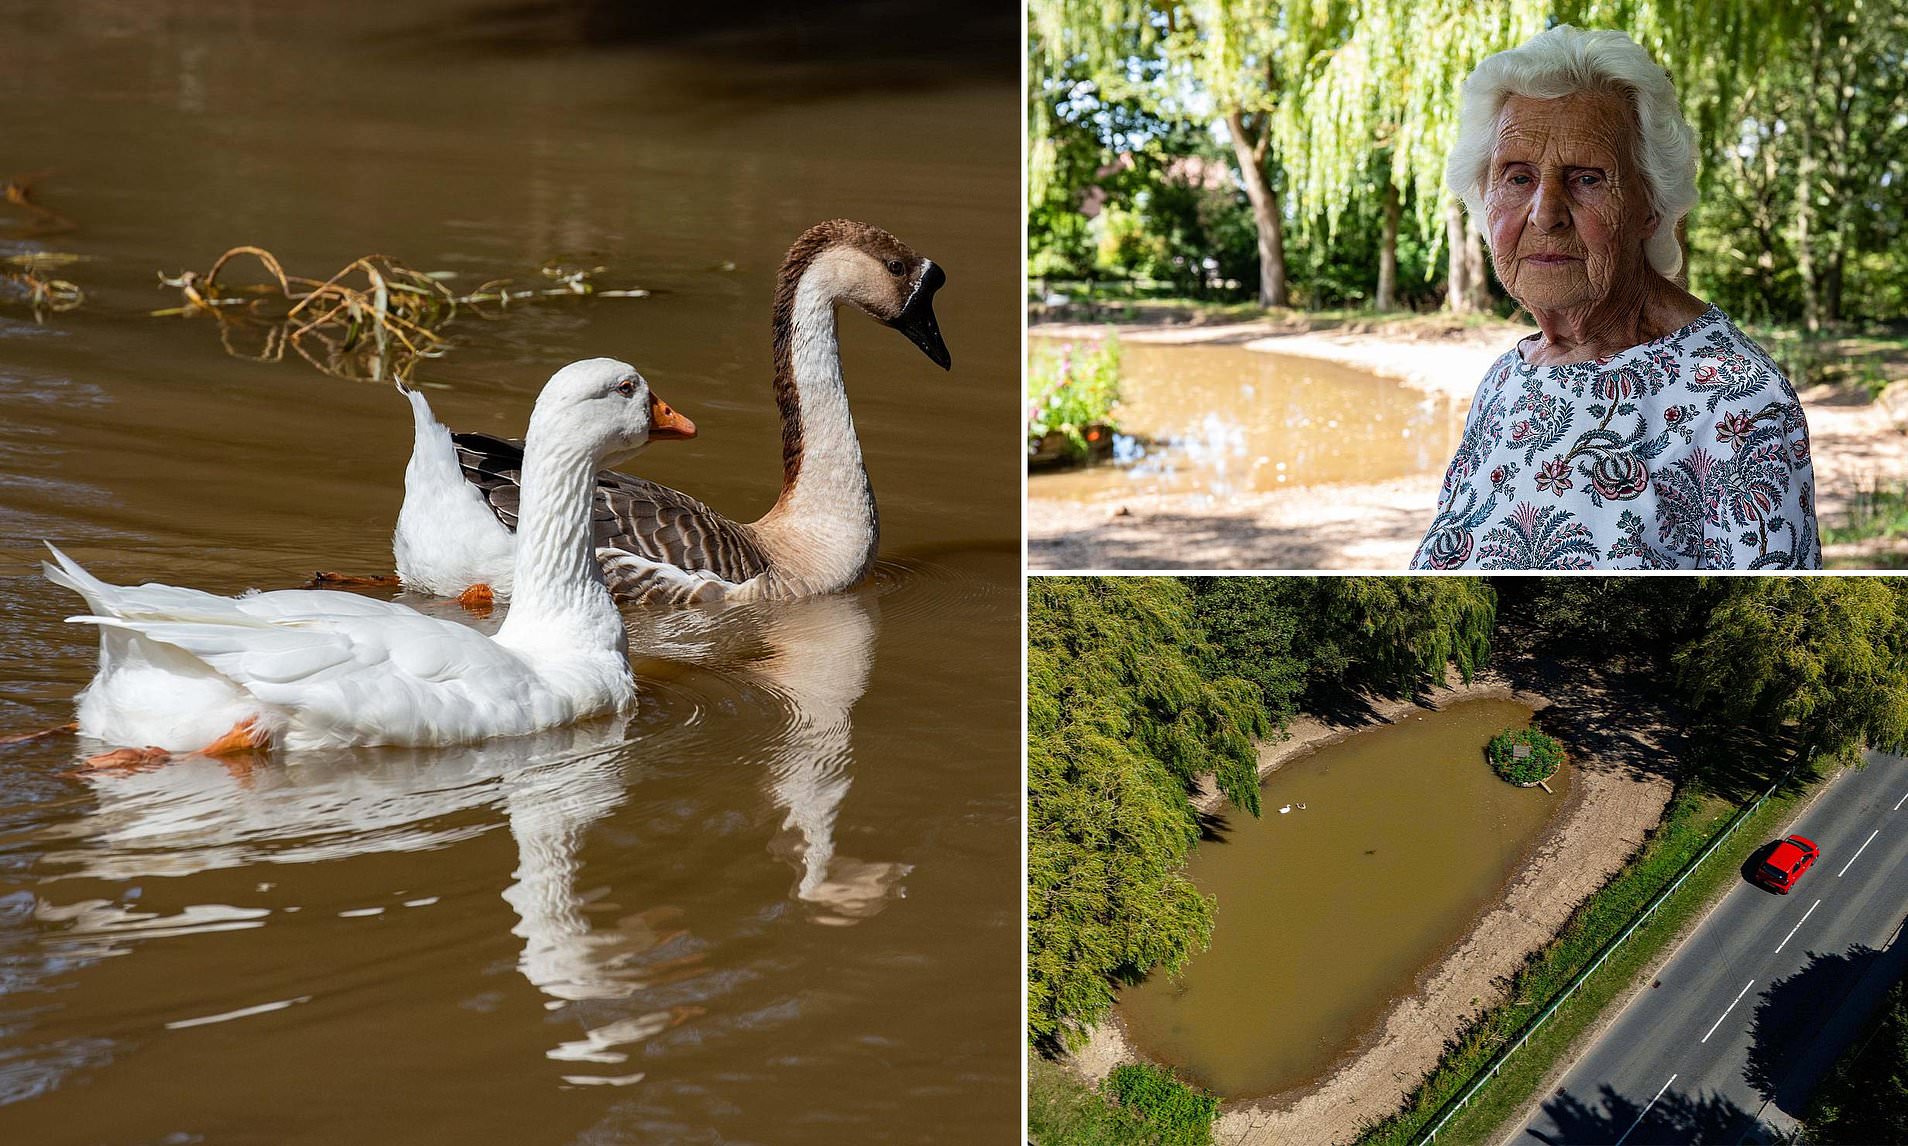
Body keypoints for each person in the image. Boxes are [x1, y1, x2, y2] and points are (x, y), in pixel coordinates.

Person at [1412, 25, 1818, 570]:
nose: (1545, 213)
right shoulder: (1507, 379)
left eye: (1585, 179)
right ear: (1485, 201)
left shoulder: (1735, 400)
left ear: (1649, 206)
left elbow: (1773, 630)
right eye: (1517, 177)